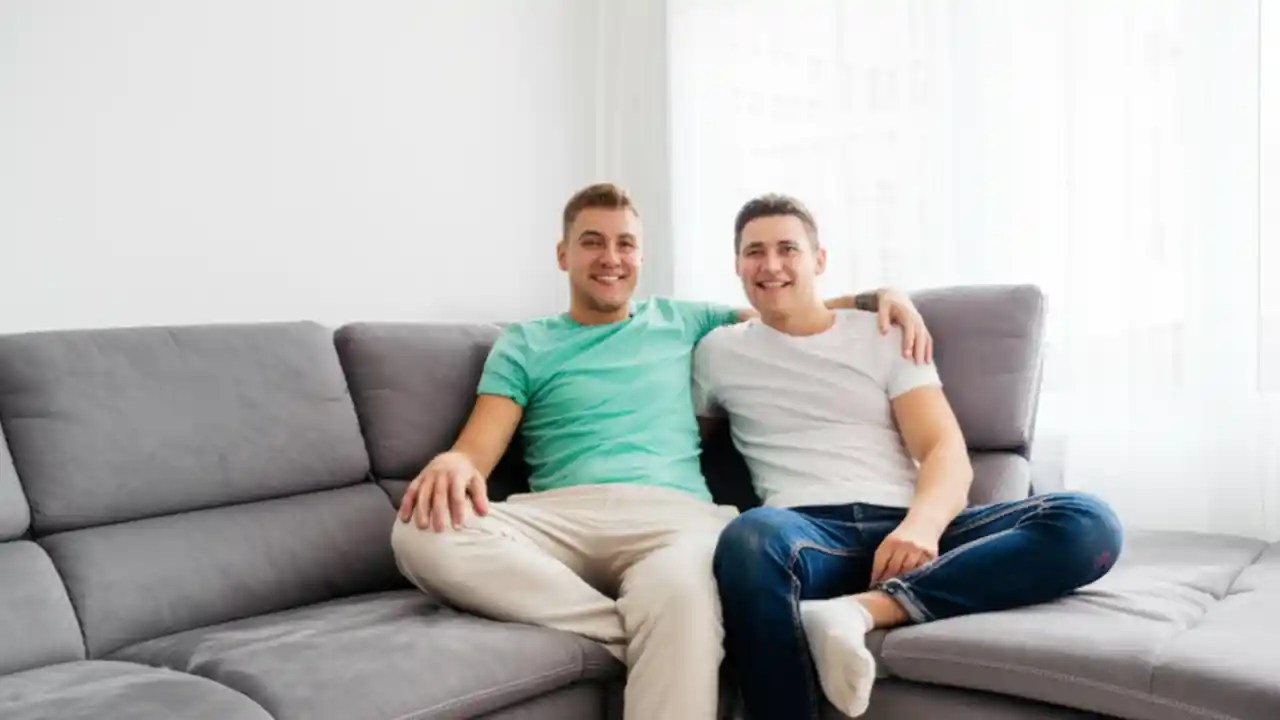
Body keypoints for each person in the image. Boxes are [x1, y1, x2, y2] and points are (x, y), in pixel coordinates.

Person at [390, 183, 932, 720]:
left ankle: (665, 630)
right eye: (592, 242)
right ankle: (628, 629)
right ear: (563, 254)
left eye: (625, 244)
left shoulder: (682, 321)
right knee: (421, 530)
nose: (611, 258)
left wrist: (877, 297)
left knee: (682, 600)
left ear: (641, 256)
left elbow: (785, 306)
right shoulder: (524, 343)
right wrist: (456, 460)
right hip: (561, 518)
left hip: (674, 521)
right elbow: (476, 451)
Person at [695, 194, 1124, 719]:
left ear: (819, 260)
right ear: (737, 265)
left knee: (1089, 521)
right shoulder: (717, 352)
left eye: (788, 249)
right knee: (747, 538)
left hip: (909, 527)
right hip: (805, 539)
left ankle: (859, 612)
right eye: (754, 252)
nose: (772, 265)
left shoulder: (882, 333)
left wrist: (920, 528)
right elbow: (684, 440)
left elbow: (944, 448)